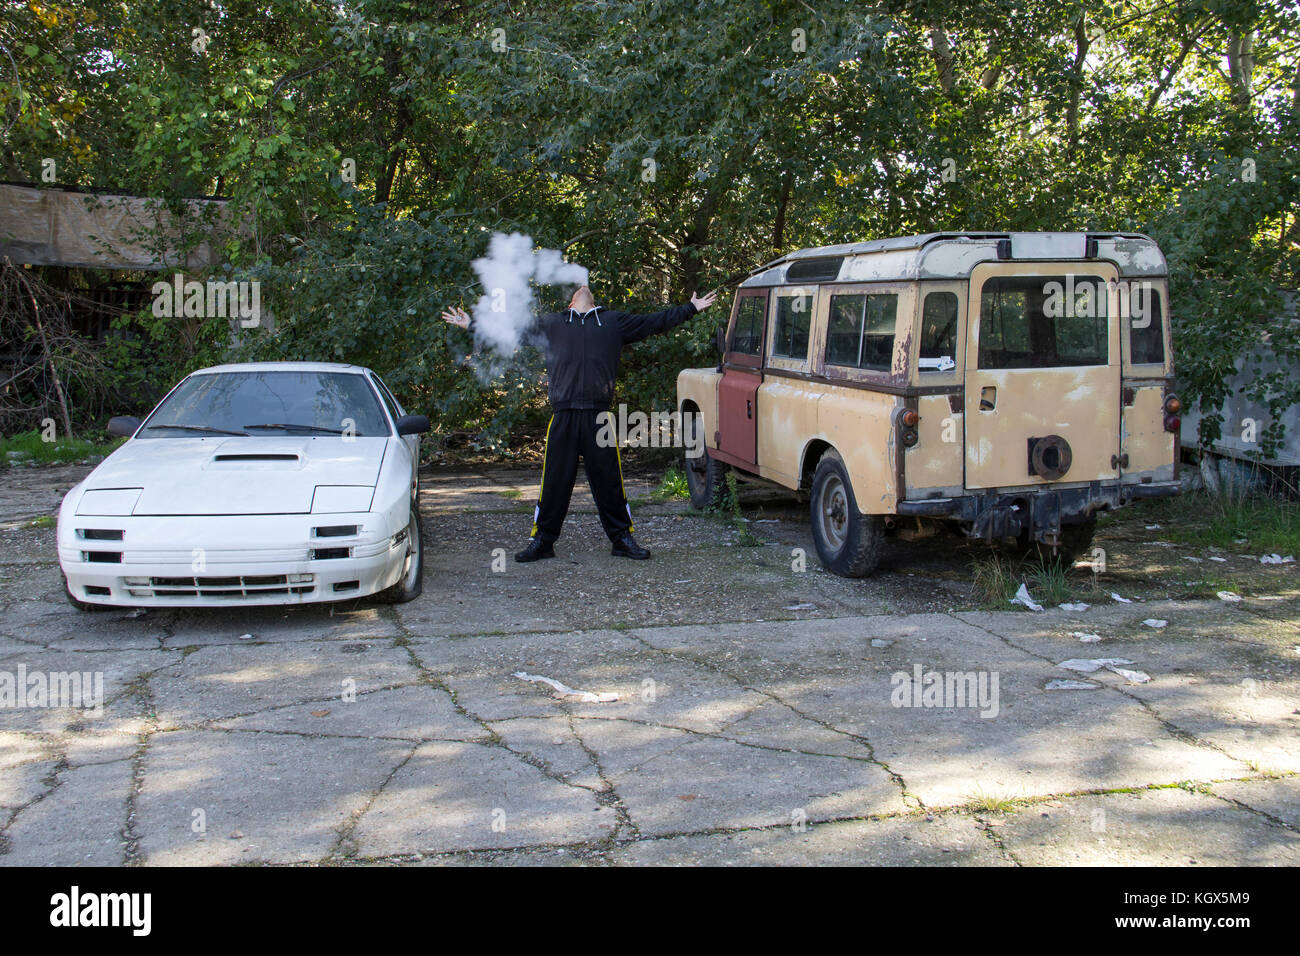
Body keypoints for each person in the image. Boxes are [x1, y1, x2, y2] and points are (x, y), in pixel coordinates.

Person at [443, 283, 716, 561]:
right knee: (554, 483)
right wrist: (472, 325)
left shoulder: (613, 321)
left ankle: (622, 539)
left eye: (587, 286)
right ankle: (543, 542)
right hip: (564, 417)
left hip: (599, 417)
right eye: (577, 288)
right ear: (571, 303)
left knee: (610, 482)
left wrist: (690, 308)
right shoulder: (552, 323)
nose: (583, 287)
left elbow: (654, 322)